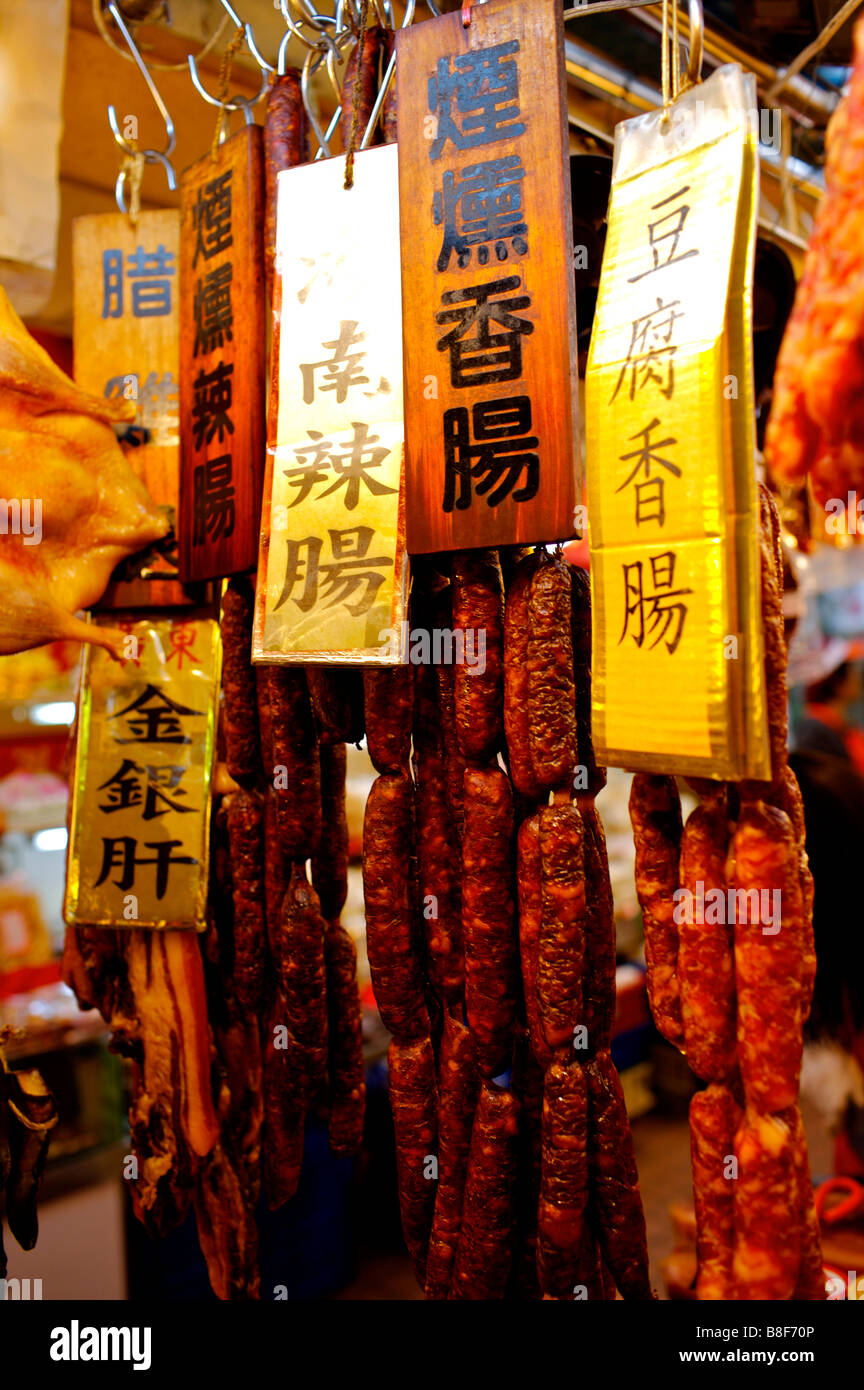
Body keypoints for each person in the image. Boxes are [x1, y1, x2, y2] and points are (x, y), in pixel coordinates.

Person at [795, 661, 864, 774]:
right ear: (839, 684)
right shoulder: (816, 728)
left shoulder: (839, 725)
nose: (858, 682)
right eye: (853, 676)